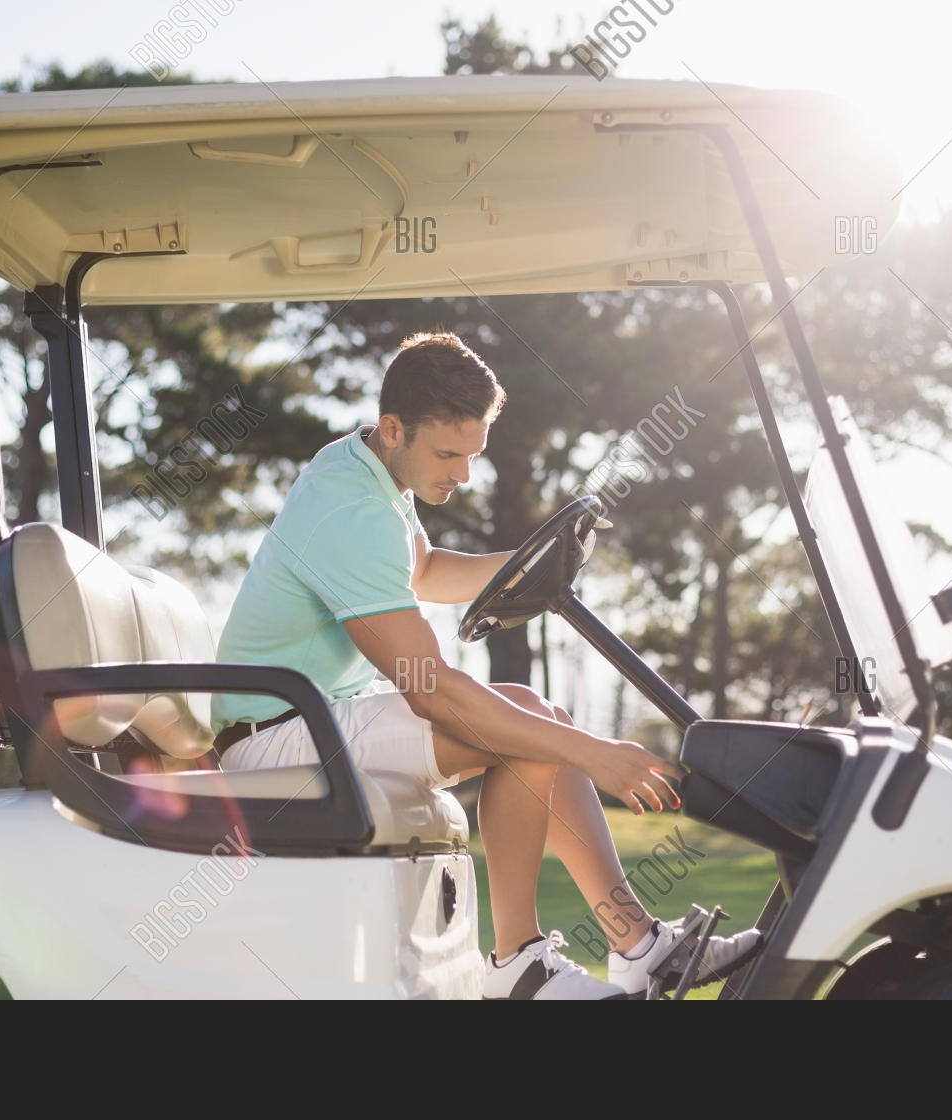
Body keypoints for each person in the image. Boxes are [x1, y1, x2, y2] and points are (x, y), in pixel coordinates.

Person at [213, 331, 760, 999]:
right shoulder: (351, 509)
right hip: (275, 743)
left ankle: (638, 946)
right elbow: (433, 691)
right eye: (448, 454)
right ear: (393, 428)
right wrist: (595, 754)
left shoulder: (372, 472)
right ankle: (517, 963)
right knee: (523, 725)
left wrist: (535, 562)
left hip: (317, 722)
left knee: (536, 718)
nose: (463, 474)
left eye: (473, 454)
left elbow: (425, 570)